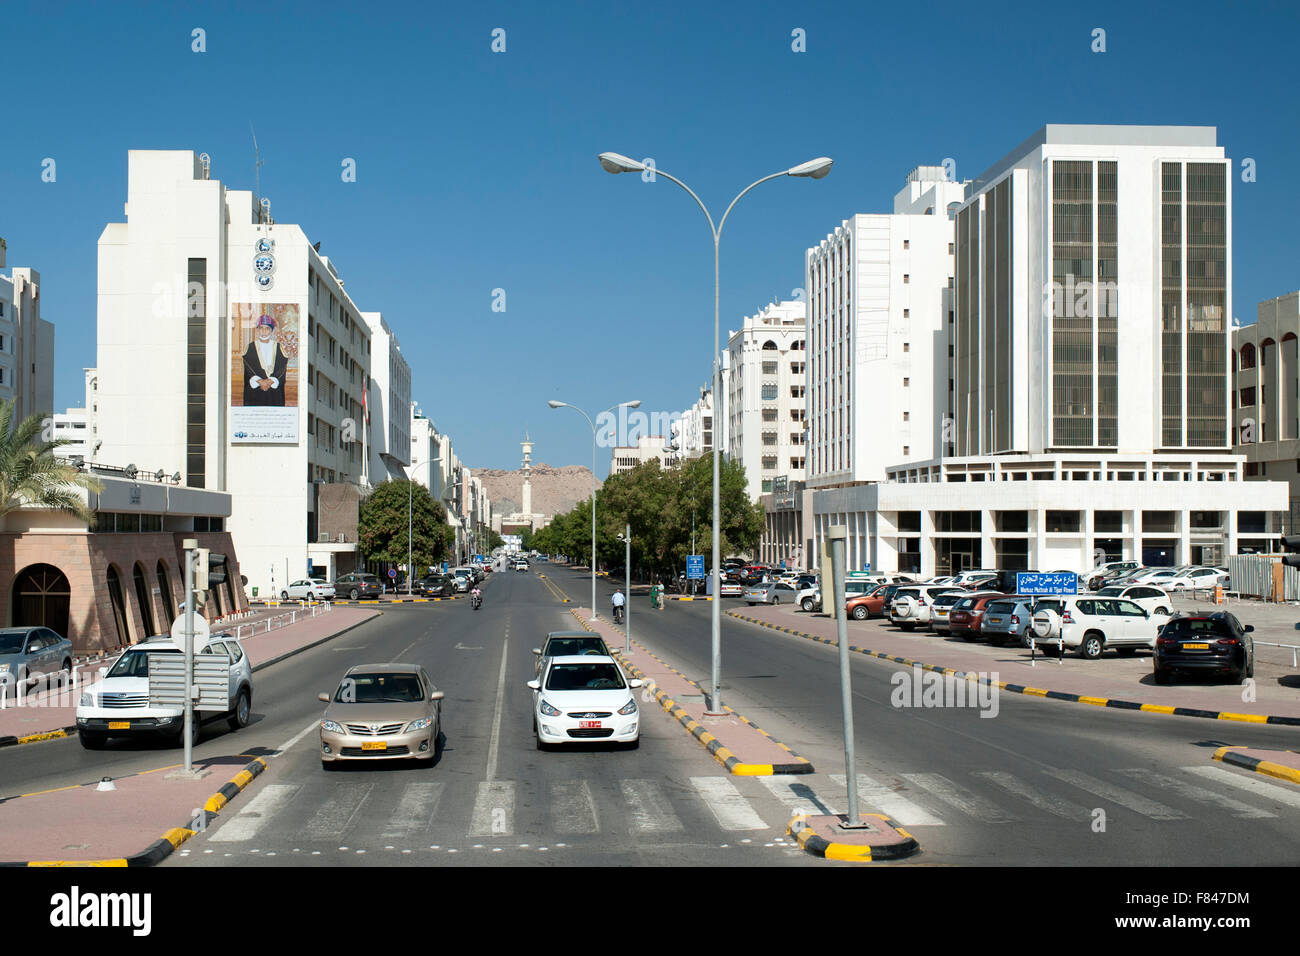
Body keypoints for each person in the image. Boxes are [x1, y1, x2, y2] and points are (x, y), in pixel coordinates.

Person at [242, 313, 288, 407]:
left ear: (271, 330)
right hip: (255, 390)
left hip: (274, 391)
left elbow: (282, 368)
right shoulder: (250, 347)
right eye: (261, 328)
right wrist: (260, 381)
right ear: (257, 330)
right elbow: (248, 369)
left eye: (267, 328)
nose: (264, 332)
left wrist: (270, 381)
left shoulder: (279, 347)